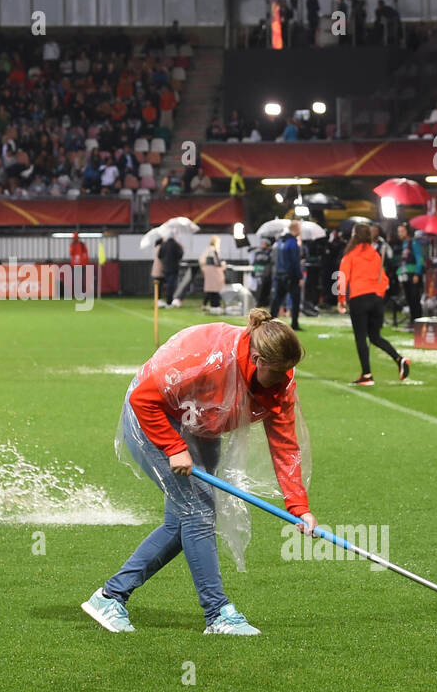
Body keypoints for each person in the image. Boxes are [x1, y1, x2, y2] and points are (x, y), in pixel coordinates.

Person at [82, 308, 316, 635]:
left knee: (184, 519)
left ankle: (111, 595)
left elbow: (285, 445)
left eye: (288, 372)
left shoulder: (280, 382)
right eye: (277, 372)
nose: (283, 381)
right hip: (153, 418)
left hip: (200, 422)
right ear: (259, 359)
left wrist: (299, 508)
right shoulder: (215, 361)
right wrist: (174, 448)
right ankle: (217, 613)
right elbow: (143, 398)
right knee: (198, 513)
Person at [337, 223, 410, 385]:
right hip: (376, 299)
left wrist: (341, 300)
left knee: (361, 338)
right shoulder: (376, 255)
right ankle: (399, 359)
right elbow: (384, 280)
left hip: (359, 298)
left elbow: (342, 277)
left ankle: (367, 374)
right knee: (375, 336)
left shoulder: (350, 255)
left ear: (355, 236)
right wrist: (378, 295)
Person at [269, 219, 304, 330]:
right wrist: (300, 277)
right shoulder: (293, 243)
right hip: (291, 276)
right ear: (297, 229)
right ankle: (295, 324)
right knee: (295, 300)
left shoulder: (280, 242)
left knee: (277, 300)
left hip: (280, 275)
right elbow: (295, 262)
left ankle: (270, 322)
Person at [395, 223, 425, 329]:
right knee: (409, 299)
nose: (400, 234)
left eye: (402, 231)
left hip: (413, 276)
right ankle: (412, 321)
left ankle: (418, 322)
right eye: (399, 231)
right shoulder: (403, 244)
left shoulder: (414, 243)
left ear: (407, 231)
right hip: (405, 276)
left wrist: (417, 273)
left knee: (415, 299)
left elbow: (419, 259)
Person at [200, 235, 225, 313]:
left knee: (209, 288)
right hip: (214, 271)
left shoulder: (208, 249)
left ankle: (206, 305)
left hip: (208, 270)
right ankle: (215, 305)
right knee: (215, 289)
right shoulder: (214, 250)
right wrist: (223, 264)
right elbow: (217, 262)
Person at [159, 231, 184, 308]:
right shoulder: (176, 245)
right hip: (173, 268)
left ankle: (168, 301)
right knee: (171, 285)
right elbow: (180, 255)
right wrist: (181, 248)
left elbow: (159, 255)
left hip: (165, 268)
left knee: (168, 285)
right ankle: (169, 302)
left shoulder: (164, 244)